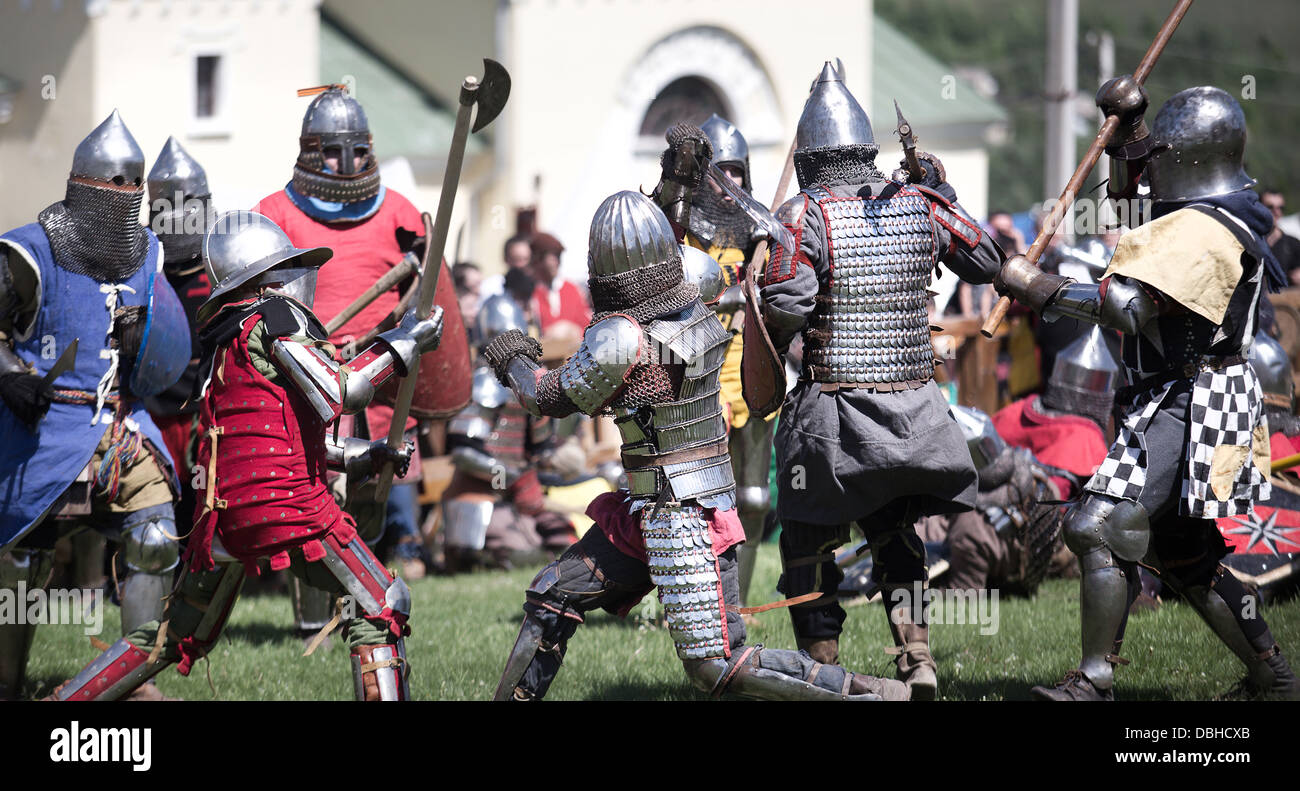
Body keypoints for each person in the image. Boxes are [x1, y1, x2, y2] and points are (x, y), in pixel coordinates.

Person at [483, 190, 907, 701]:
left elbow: (548, 396)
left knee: (717, 668)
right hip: (655, 506)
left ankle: (868, 695)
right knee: (554, 592)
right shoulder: (698, 285)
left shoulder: (621, 338)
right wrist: (674, 183)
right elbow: (680, 238)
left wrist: (513, 360)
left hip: (681, 517)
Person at [48, 210, 443, 701]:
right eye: (286, 272)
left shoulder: (224, 340)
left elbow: (275, 438)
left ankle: (67, 703)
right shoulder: (275, 318)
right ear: (264, 281)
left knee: (173, 635)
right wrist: (404, 341)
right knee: (384, 598)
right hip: (289, 510)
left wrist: (365, 455)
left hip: (223, 521)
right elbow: (344, 388)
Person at [995, 80, 1298, 700]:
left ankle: (1095, 680)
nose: (1149, 166)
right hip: (1180, 396)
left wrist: (1037, 287)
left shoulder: (1209, 228)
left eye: (1158, 153)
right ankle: (1274, 676)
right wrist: (1129, 130)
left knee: (1096, 524)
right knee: (1187, 558)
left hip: (1194, 401)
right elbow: (1134, 200)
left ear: (1184, 158)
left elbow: (1129, 306)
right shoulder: (1204, 212)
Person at [756, 62, 1005, 700]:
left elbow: (787, 307)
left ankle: (827, 673)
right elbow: (986, 260)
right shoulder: (917, 205)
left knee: (808, 541)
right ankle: (916, 660)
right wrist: (939, 190)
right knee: (897, 533)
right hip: (914, 413)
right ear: (867, 150)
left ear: (810, 158)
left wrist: (761, 300)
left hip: (832, 414)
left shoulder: (803, 212)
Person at [253, 85, 469, 630]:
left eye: (355, 149)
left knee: (367, 501)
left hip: (378, 372)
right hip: (306, 376)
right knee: (310, 497)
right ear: (308, 150)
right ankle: (310, 624)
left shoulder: (397, 211)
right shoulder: (273, 214)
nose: (344, 163)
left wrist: (425, 266)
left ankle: (359, 608)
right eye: (330, 150)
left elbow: (430, 293)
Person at [0, 112, 190, 700]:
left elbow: (155, 342)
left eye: (136, 187)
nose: (129, 197)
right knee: (22, 558)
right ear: (83, 186)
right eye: (118, 185)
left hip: (120, 425)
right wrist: (9, 374)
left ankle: (134, 678)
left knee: (156, 536)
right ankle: (6, 679)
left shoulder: (146, 252)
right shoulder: (27, 252)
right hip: (44, 427)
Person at [668, 113, 775, 608]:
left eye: (736, 170)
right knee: (694, 502)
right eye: (720, 170)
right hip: (698, 378)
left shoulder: (760, 232)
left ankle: (739, 608)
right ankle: (692, 606)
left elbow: (787, 296)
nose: (728, 180)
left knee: (752, 500)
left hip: (750, 374)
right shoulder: (680, 229)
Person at [442, 293, 576, 570]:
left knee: (563, 537)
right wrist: (511, 475)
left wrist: (558, 460)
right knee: (523, 552)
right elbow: (464, 453)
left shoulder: (526, 385)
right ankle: (480, 557)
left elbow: (540, 448)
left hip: (519, 497)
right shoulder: (484, 383)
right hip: (482, 496)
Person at [528, 231, 591, 336]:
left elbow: (586, 325)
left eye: (557, 256)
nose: (554, 263)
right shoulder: (530, 292)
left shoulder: (572, 289)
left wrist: (569, 330)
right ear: (537, 260)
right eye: (550, 257)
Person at [1259, 189, 1300, 284]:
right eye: (1270, 207)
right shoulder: (1249, 241)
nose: (1276, 212)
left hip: (1283, 297)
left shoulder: (1293, 244)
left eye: (1280, 207)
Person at [480, 233, 532, 300]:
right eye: (517, 259)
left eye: (526, 259)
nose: (522, 264)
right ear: (506, 259)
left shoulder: (536, 288)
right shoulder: (491, 287)